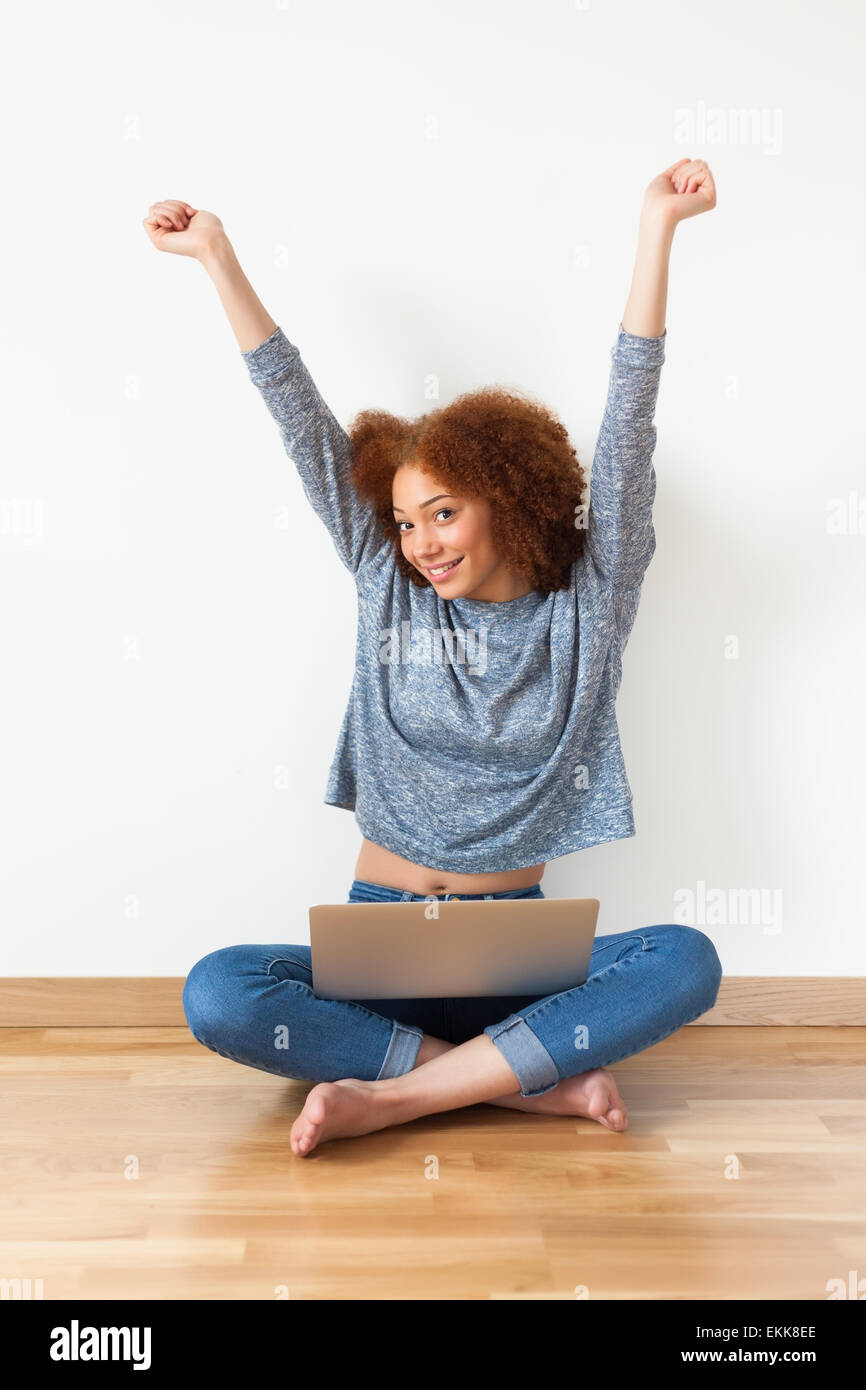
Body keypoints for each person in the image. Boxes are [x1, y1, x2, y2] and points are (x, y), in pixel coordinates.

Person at [143, 158, 721, 1157]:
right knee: (220, 991)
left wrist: (654, 229)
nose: (421, 541)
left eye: (443, 512)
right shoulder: (386, 581)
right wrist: (215, 257)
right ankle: (514, 1084)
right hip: (382, 950)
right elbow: (300, 424)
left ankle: (397, 1092)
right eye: (407, 520)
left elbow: (630, 424)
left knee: (685, 959)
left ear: (511, 496)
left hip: (518, 967)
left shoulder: (590, 605)